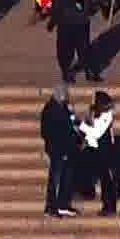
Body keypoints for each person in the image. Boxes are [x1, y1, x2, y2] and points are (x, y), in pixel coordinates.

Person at [54, 0, 99, 82]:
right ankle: (66, 72)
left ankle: (88, 71)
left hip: (80, 22)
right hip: (67, 23)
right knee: (66, 50)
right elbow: (59, 5)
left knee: (83, 49)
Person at [78, 90, 120, 215]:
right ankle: (87, 192)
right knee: (86, 169)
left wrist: (81, 125)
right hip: (95, 149)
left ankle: (109, 206)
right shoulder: (95, 112)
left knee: (106, 178)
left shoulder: (107, 115)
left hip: (104, 151)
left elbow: (96, 133)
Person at [41, 84, 77, 217]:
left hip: (66, 149)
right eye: (65, 96)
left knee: (65, 177)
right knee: (56, 178)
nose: (66, 98)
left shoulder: (62, 108)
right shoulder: (51, 110)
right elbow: (48, 132)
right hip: (58, 150)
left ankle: (62, 204)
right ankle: (51, 207)